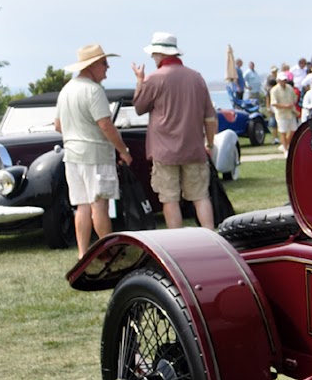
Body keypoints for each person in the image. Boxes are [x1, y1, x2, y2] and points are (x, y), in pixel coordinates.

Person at [53, 44, 133, 256]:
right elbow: (105, 124)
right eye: (105, 64)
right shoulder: (93, 90)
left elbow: (58, 126)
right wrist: (123, 150)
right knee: (99, 206)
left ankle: (82, 252)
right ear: (93, 66)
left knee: (82, 206)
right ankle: (106, 251)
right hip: (95, 154)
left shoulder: (66, 90)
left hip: (71, 155)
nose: (107, 69)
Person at [132, 32, 217, 230]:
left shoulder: (154, 78)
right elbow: (210, 118)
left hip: (164, 151)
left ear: (159, 54)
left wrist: (139, 81)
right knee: (200, 196)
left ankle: (177, 241)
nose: (153, 58)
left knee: (169, 199)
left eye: (153, 54)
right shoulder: (196, 78)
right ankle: (211, 236)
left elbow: (139, 107)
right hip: (194, 148)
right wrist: (210, 144)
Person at [269, 75, 299, 147]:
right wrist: (285, 106)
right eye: (282, 80)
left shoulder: (289, 88)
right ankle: (285, 149)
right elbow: (274, 103)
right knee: (283, 132)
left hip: (291, 112)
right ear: (278, 81)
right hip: (281, 113)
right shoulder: (274, 90)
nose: (283, 82)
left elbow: (295, 98)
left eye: (285, 80)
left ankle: (285, 145)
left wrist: (292, 104)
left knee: (293, 130)